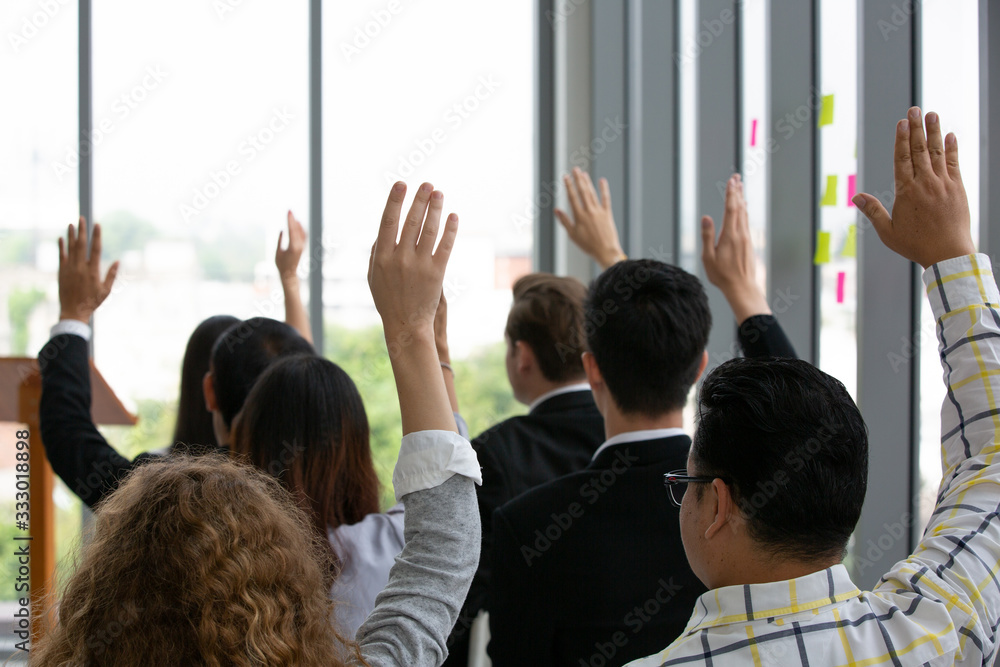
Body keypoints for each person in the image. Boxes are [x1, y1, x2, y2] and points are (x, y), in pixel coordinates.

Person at [32, 181, 483, 666]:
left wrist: (73, 316)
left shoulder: (157, 504)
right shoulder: (364, 545)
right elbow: (441, 553)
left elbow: (68, 434)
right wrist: (414, 334)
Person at [627, 108, 1000, 665]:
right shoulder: (934, 631)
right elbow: (992, 458)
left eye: (689, 483)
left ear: (718, 504)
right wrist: (951, 257)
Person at [486, 173, 796, 667]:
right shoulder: (742, 506)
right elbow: (799, 413)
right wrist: (743, 292)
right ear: (699, 366)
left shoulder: (529, 527)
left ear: (591, 369)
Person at [38, 213, 314, 508]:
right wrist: (289, 279)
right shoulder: (304, 484)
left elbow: (68, 435)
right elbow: (301, 375)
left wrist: (73, 315)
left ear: (210, 390)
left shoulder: (157, 491)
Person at [230, 353, 402, 636]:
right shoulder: (393, 548)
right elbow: (444, 490)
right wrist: (439, 356)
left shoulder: (229, 566)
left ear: (251, 442)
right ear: (357, 448)